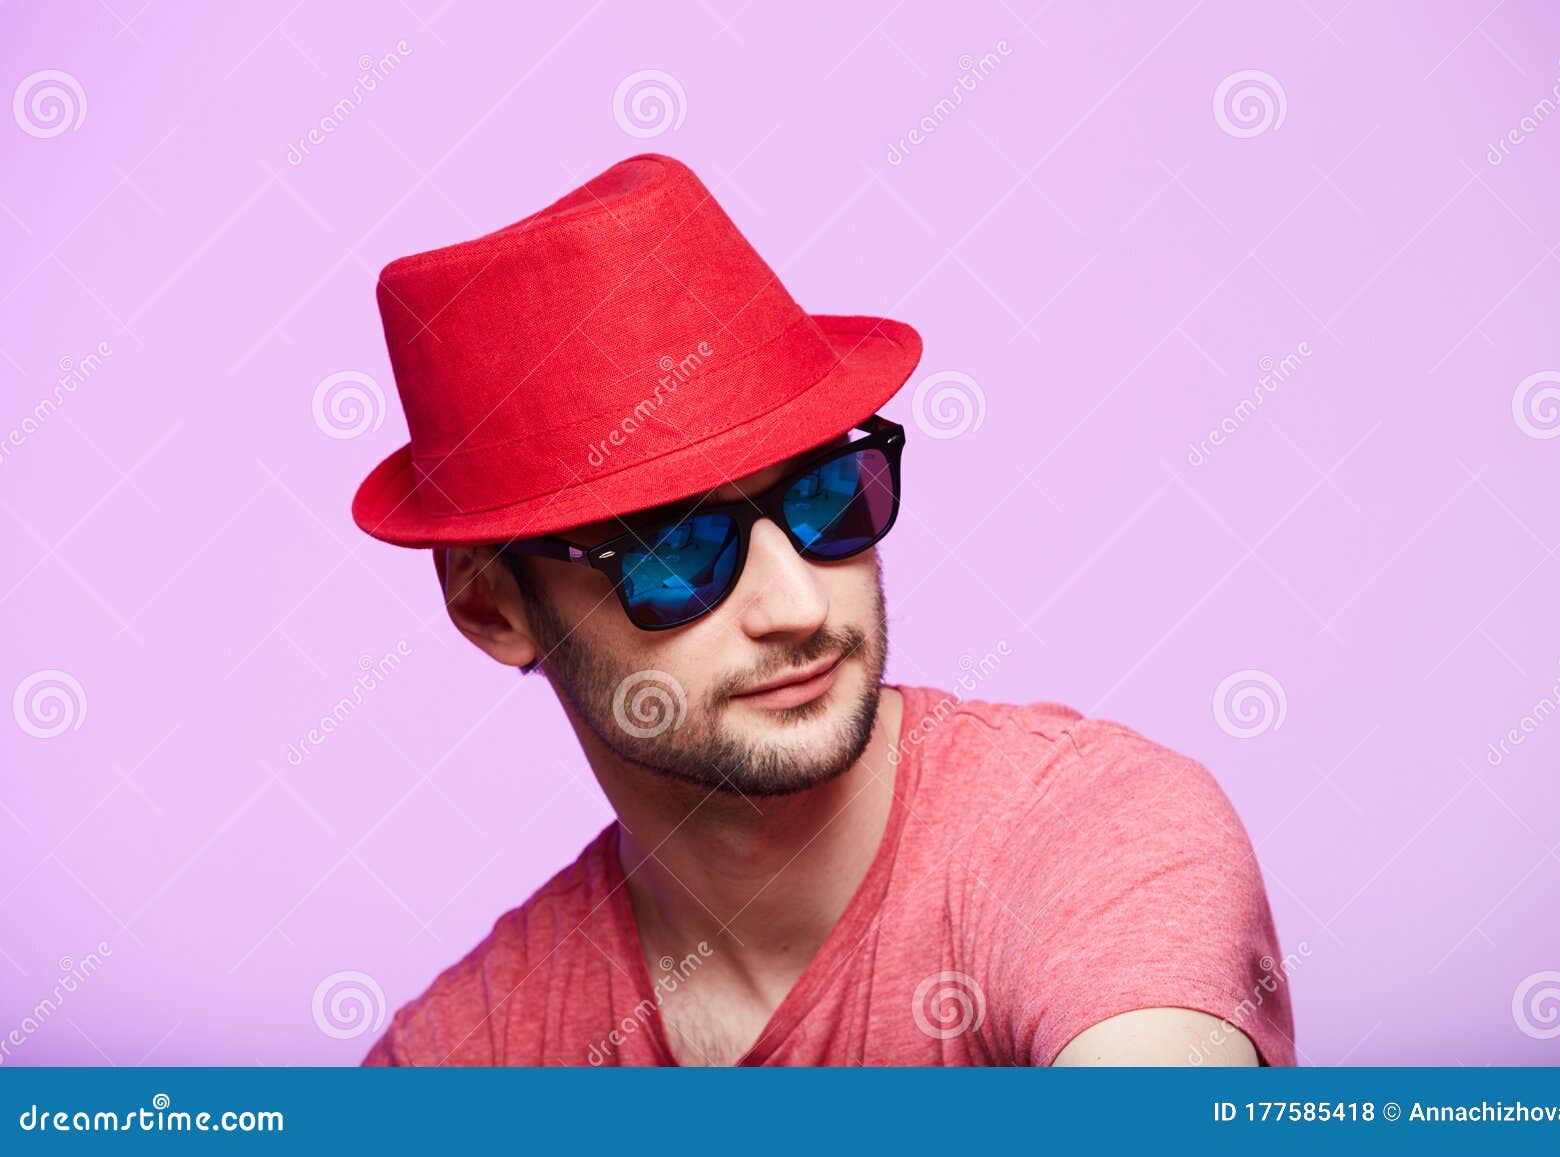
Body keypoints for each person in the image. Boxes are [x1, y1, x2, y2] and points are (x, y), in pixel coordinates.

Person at [350, 153, 1294, 1067]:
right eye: (674, 549)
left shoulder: (1096, 836)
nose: (798, 605)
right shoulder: (463, 1056)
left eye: (826, 495)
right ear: (491, 605)